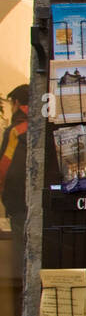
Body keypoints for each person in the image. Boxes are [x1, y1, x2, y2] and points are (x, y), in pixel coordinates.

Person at [0, 85, 28, 235]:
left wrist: (5, 198)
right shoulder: (42, 125)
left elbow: (5, 167)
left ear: (16, 103)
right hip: (40, 200)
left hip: (18, 201)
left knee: (20, 250)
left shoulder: (15, 131)